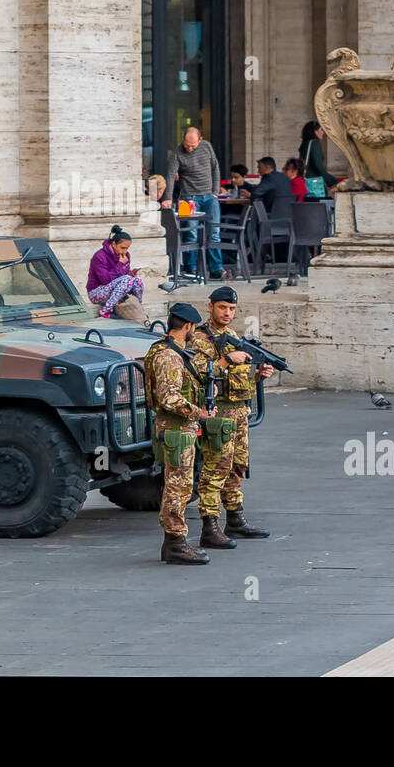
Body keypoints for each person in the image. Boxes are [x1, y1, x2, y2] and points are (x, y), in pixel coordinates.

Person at [188, 286, 272, 542]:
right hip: (218, 412)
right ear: (210, 306)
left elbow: (237, 376)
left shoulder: (232, 335)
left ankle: (235, 519)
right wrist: (226, 361)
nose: (227, 313)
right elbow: (197, 372)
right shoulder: (201, 338)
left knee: (237, 467)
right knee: (215, 469)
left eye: (232, 308)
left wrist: (257, 376)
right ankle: (210, 527)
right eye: (222, 307)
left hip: (238, 412)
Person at [143, 302, 215, 564]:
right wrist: (199, 412)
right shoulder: (169, 356)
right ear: (187, 326)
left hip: (178, 427)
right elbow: (168, 398)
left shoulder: (166, 350)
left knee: (181, 485)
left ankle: (175, 543)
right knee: (177, 487)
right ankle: (175, 543)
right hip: (175, 427)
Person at [161, 126, 224, 279]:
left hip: (209, 196)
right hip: (189, 197)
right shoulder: (177, 153)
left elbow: (215, 168)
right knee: (191, 234)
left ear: (200, 140)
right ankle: (191, 269)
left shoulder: (207, 146)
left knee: (214, 232)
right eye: (187, 145)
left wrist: (215, 191)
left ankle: (217, 269)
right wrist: (168, 197)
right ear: (183, 140)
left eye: (193, 146)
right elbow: (170, 175)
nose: (189, 148)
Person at [86, 225, 143, 319]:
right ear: (113, 244)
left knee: (137, 280)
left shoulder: (126, 255)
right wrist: (120, 264)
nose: (125, 251)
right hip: (96, 292)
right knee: (127, 280)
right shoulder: (99, 256)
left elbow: (122, 276)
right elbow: (105, 280)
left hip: (115, 289)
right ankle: (105, 311)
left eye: (127, 248)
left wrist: (130, 273)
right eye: (122, 248)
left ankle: (139, 307)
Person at [300, 120, 339, 193]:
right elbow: (319, 166)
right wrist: (334, 182)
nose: (323, 132)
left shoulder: (305, 144)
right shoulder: (314, 144)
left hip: (305, 183)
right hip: (315, 184)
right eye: (321, 129)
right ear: (315, 131)